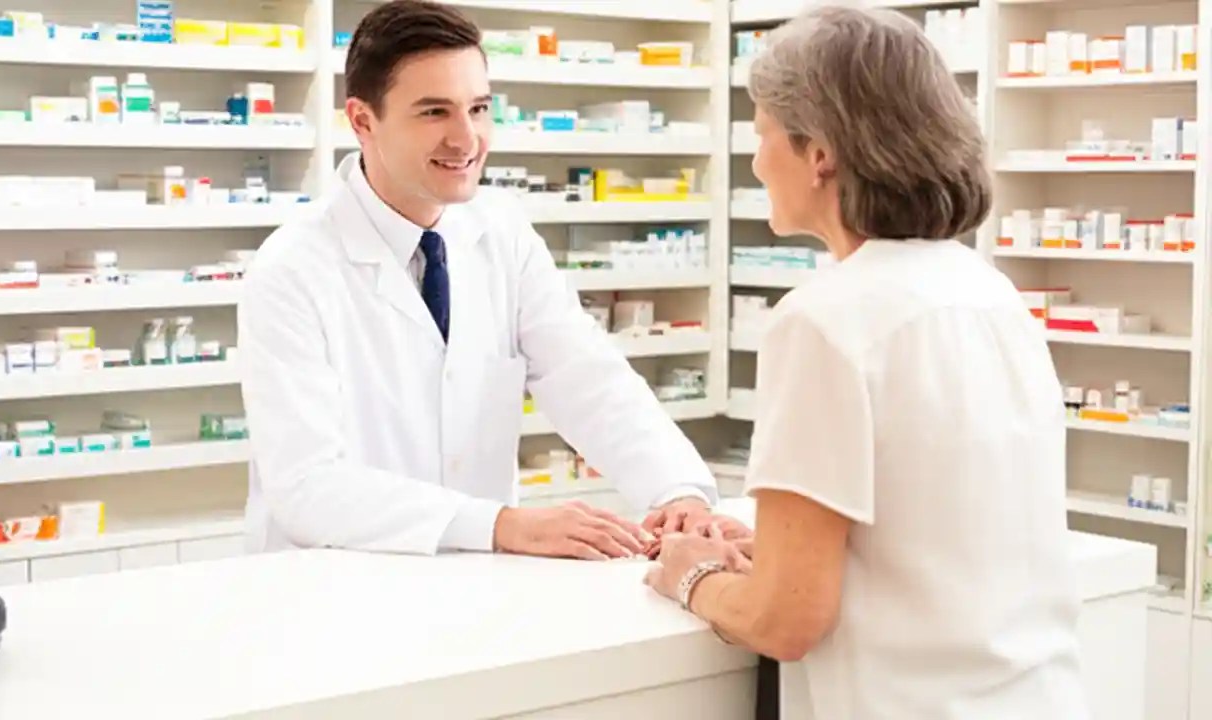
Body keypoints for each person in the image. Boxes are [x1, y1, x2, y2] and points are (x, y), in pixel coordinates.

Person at [646, 6, 1090, 719]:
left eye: (762, 133)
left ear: (819, 151)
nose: (757, 160)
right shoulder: (990, 294)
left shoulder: (826, 319)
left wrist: (689, 574)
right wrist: (779, 553)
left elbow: (786, 622)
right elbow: (942, 539)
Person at [238, 0, 745, 560]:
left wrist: (676, 490)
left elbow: (587, 376)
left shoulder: (501, 233)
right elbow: (306, 486)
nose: (467, 138)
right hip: (328, 589)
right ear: (362, 121)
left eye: (478, 108)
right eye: (434, 112)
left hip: (474, 585)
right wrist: (501, 525)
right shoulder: (291, 268)